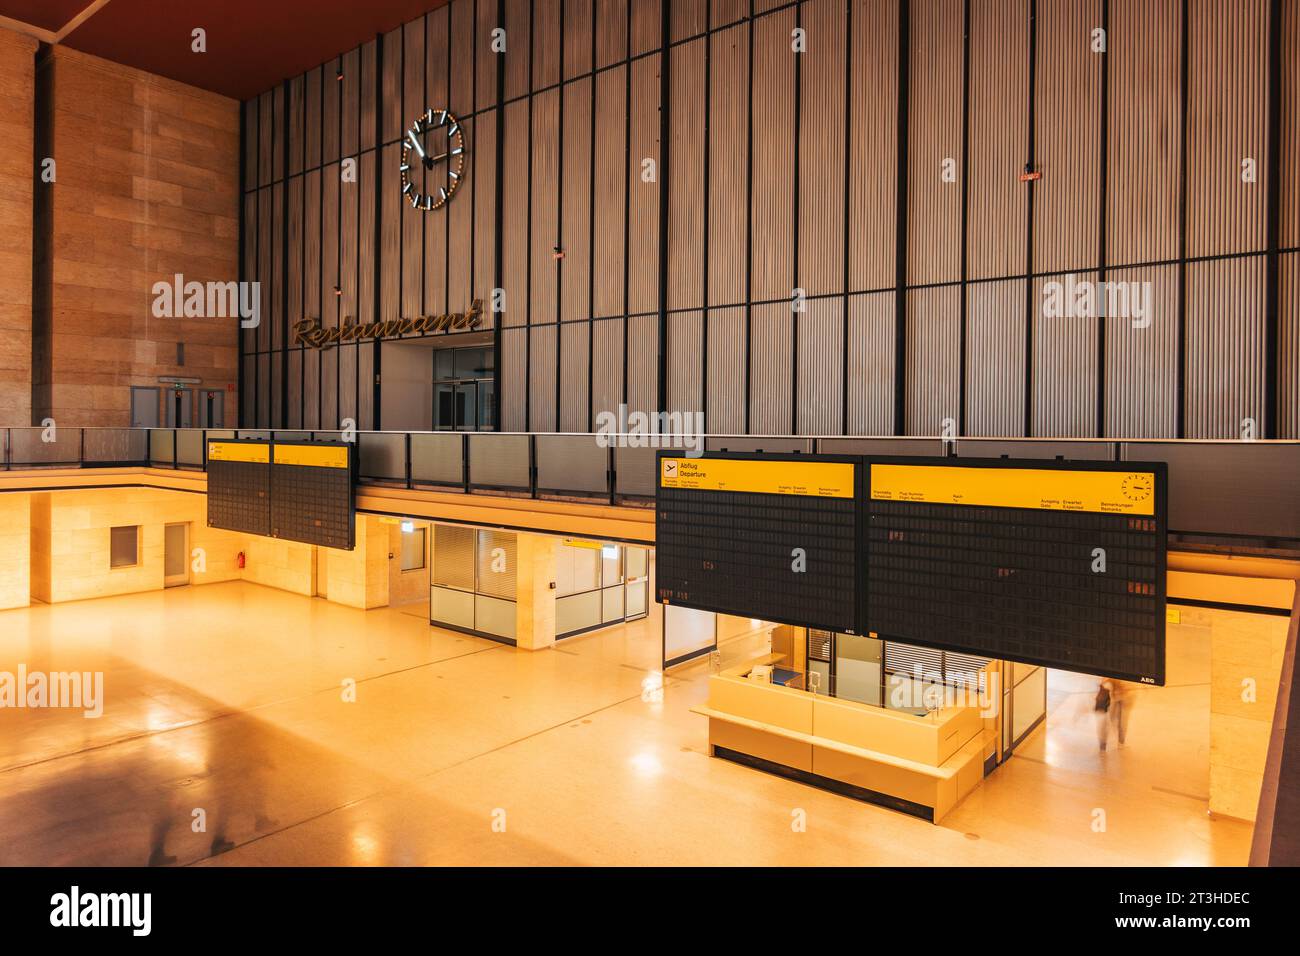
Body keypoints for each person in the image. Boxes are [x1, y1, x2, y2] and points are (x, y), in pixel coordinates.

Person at [1095, 677, 1137, 752]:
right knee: (1119, 720)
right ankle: (1118, 743)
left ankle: (1104, 746)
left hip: (1117, 692)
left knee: (1109, 720)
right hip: (1117, 692)